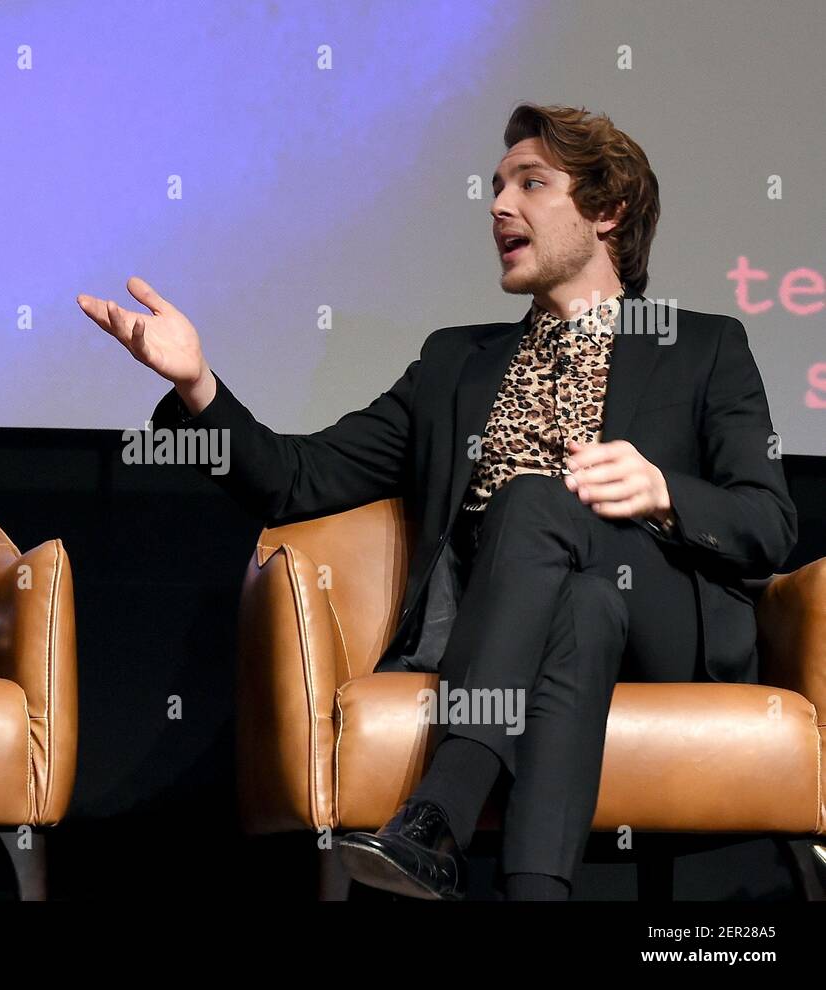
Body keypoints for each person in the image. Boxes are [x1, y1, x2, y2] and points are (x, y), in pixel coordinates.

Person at [79, 102, 797, 901]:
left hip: (665, 627)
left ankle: (439, 810)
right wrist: (198, 386)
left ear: (608, 211)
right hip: (537, 630)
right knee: (583, 610)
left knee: (536, 505)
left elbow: (769, 525)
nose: (499, 206)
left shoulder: (701, 347)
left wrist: (664, 492)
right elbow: (298, 478)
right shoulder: (457, 365)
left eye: (531, 184)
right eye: (495, 187)